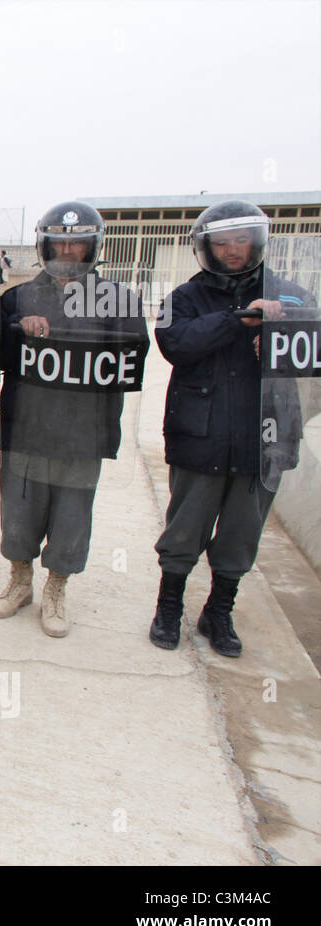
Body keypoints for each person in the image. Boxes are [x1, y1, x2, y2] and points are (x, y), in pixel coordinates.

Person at [148, 200, 314, 657]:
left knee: (242, 533)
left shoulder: (292, 293)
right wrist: (238, 320)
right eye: (222, 242)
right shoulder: (185, 297)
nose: (233, 250)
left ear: (257, 242)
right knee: (184, 529)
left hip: (266, 436)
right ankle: (168, 606)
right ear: (206, 247)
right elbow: (175, 343)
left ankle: (219, 611)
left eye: (241, 240)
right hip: (202, 435)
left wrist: (282, 328)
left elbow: (313, 343)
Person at [0, 201, 148, 637]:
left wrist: (87, 341)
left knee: (72, 515)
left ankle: (56, 588)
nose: (69, 250)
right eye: (60, 241)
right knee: (18, 513)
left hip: (83, 430)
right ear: (45, 245)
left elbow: (135, 352)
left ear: (93, 247)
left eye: (78, 243)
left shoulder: (118, 299)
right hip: (26, 425)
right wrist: (19, 326)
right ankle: (21, 581)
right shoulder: (17, 297)